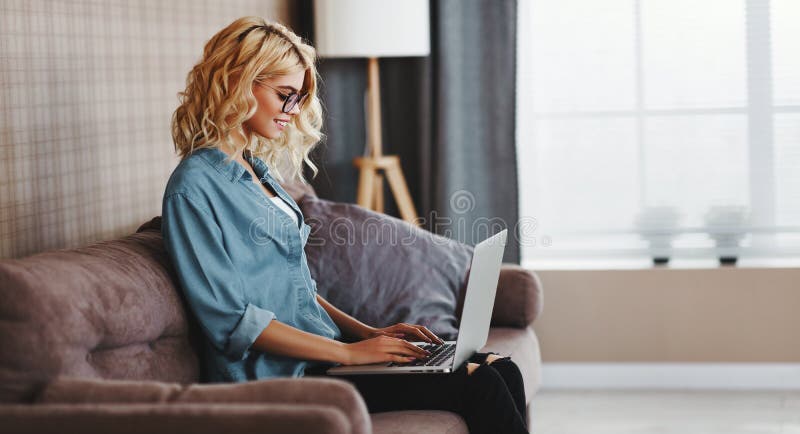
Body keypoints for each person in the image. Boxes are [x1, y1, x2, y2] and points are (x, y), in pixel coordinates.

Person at [162, 16, 529, 434]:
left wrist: (368, 333)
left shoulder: (257, 172)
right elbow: (231, 321)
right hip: (284, 378)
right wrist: (351, 354)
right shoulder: (192, 189)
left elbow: (298, 291)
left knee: (502, 368)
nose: (293, 111)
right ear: (236, 81)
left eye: (298, 97)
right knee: (479, 384)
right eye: (285, 95)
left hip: (326, 359)